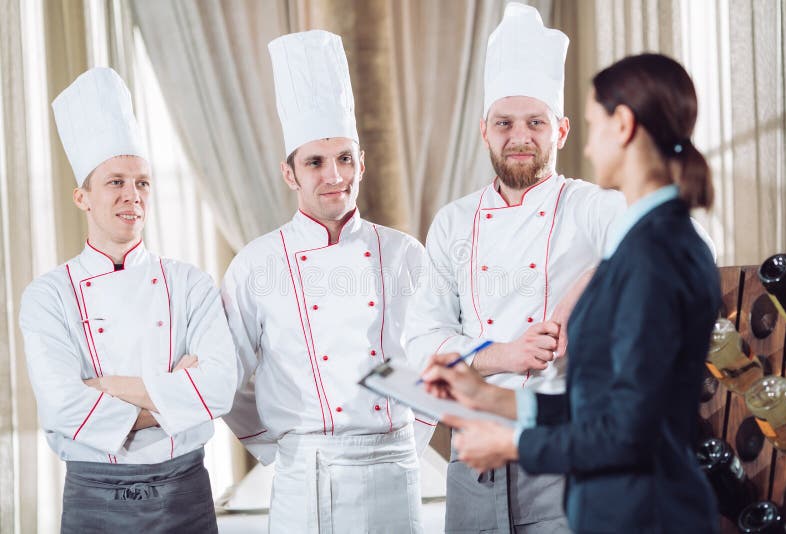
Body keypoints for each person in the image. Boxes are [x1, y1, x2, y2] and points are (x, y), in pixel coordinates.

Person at [422, 53, 722, 534]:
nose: (587, 147)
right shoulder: (644, 246)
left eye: (588, 124)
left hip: (643, 508)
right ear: (484, 129)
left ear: (621, 125)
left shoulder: (655, 251)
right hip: (609, 497)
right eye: (504, 123)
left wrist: (512, 444)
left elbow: (627, 431)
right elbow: (601, 404)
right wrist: (490, 395)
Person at [405, 4, 626, 532]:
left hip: (563, 456)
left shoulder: (590, 206)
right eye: (504, 123)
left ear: (562, 131)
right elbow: (419, 343)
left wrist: (582, 295)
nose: (519, 137)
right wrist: (504, 353)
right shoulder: (454, 222)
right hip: (473, 459)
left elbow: (682, 241)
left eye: (536, 123)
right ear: (485, 130)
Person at [221, 30, 427, 533]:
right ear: (290, 174)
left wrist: (411, 436)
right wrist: (280, 446)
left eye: (345, 159)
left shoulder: (404, 253)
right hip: (303, 474)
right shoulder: (256, 264)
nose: (334, 175)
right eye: (315, 162)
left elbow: (430, 358)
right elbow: (227, 379)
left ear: (361, 162)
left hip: (394, 467)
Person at [19, 67, 237, 533]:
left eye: (141, 183)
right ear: (83, 197)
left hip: (186, 492)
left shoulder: (190, 284)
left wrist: (104, 385)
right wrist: (173, 396)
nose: (132, 196)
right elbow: (61, 405)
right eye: (115, 182)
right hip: (94, 497)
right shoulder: (48, 296)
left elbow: (218, 388)